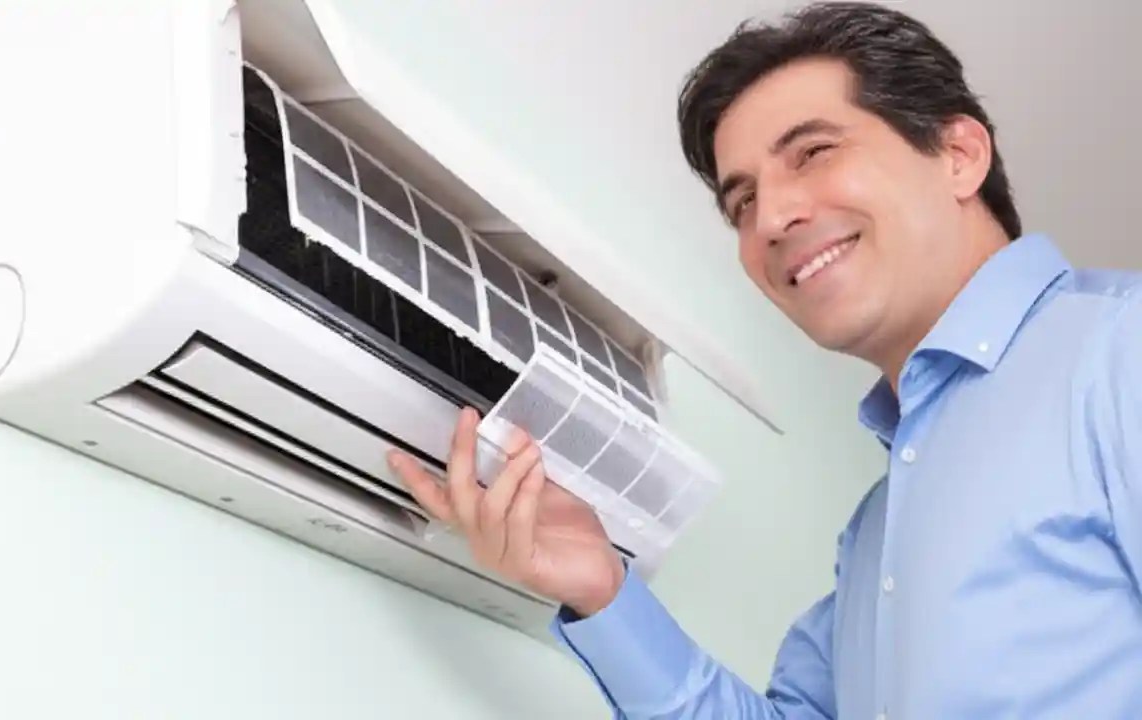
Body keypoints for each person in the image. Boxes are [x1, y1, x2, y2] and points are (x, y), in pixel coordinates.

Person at [387, 1, 1142, 717]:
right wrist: (604, 593)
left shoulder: (1119, 350)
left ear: (958, 155)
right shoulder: (875, 533)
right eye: (742, 202)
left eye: (813, 153)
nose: (772, 218)